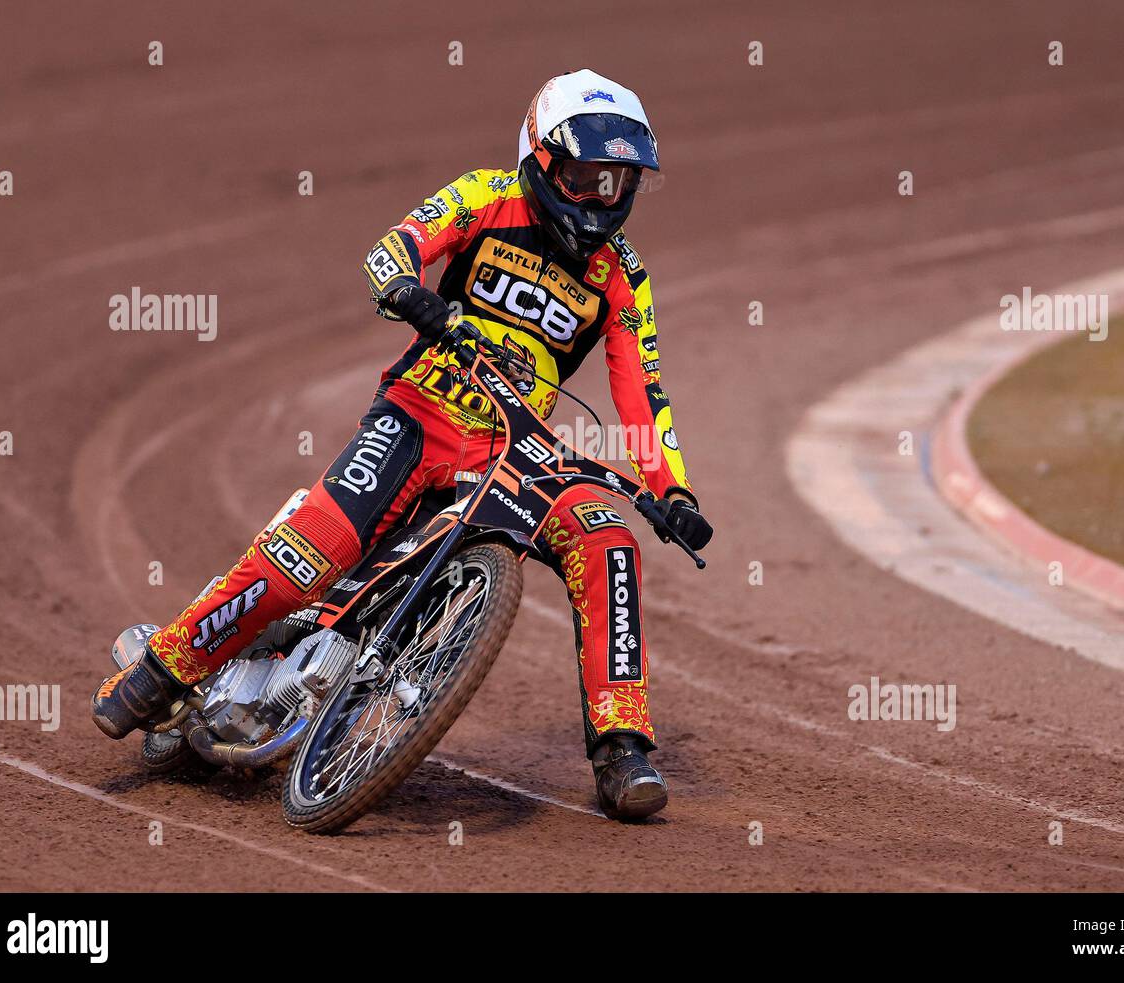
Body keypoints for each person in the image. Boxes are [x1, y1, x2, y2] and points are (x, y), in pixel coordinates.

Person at [92, 69, 713, 821]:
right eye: (586, 177)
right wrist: (409, 291)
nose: (602, 200)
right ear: (542, 159)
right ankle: (166, 666)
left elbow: (642, 391)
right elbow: (393, 249)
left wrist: (671, 488)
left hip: (516, 447)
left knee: (610, 538)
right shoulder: (486, 195)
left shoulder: (624, 276)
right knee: (309, 557)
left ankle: (623, 747)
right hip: (420, 411)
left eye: (620, 183)